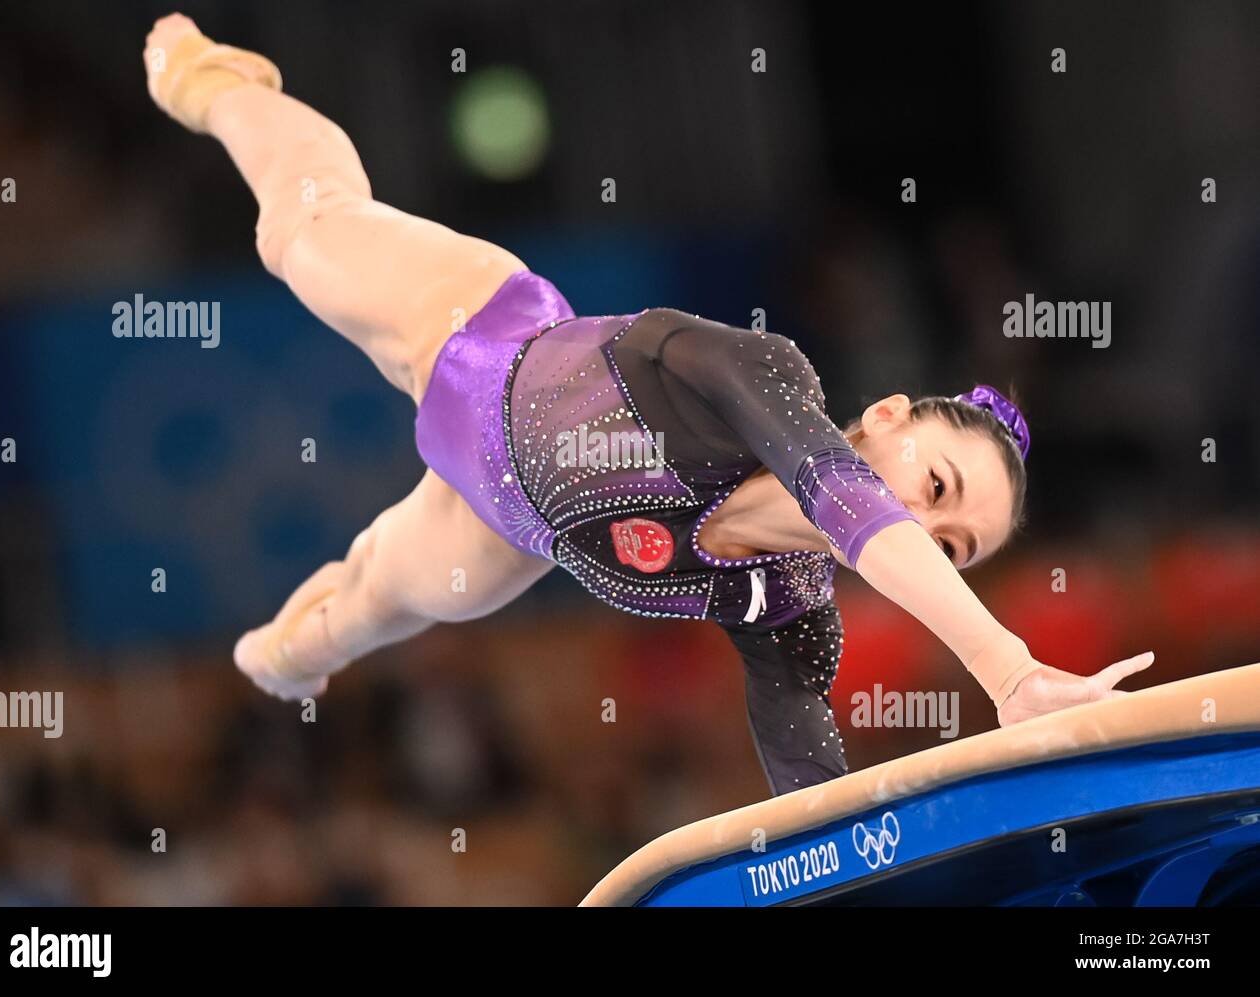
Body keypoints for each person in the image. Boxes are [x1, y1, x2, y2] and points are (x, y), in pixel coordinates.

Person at [142, 14, 1153, 795]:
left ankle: (278, 664)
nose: (927, 533)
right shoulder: (758, 376)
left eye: (954, 548)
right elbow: (853, 506)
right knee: (303, 231)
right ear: (885, 415)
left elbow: (815, 804)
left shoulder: (788, 610)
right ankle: (222, 85)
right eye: (936, 488)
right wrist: (1009, 671)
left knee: (349, 616)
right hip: (470, 330)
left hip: (502, 525)